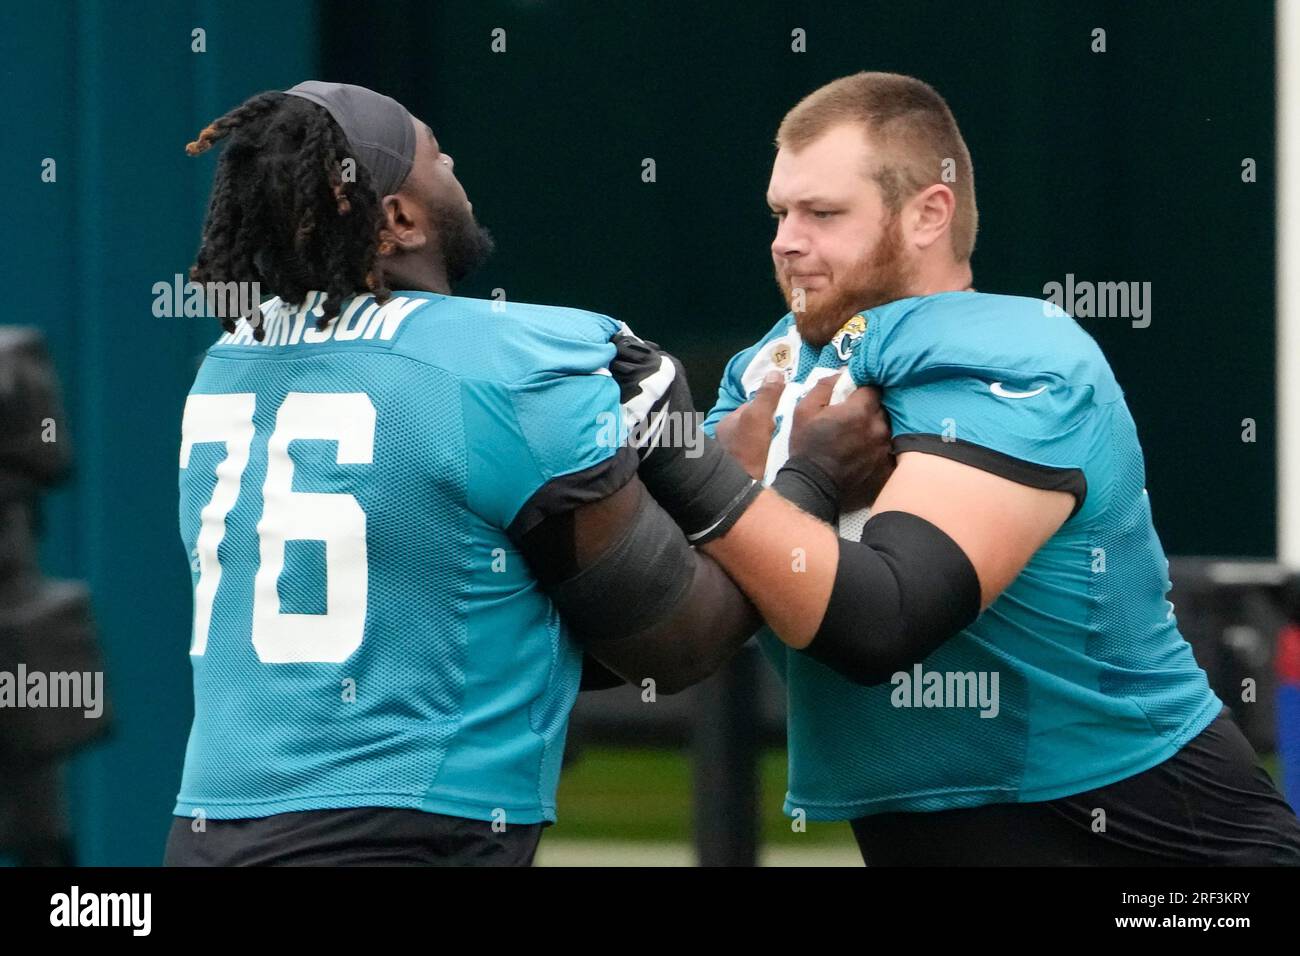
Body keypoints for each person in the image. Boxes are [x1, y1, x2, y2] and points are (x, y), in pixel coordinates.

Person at [164, 81, 887, 866]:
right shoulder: (509, 363)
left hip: (208, 830)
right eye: (436, 154)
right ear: (397, 220)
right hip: (396, 835)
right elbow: (680, 645)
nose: (454, 165)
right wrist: (791, 477)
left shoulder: (228, 367)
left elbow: (501, 632)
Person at [612, 71, 1300, 865]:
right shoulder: (769, 371)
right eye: (780, 212)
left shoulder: (1021, 357)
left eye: (823, 213)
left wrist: (697, 468)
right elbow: (684, 624)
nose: (786, 239)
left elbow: (885, 623)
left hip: (1150, 842)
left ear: (928, 213)